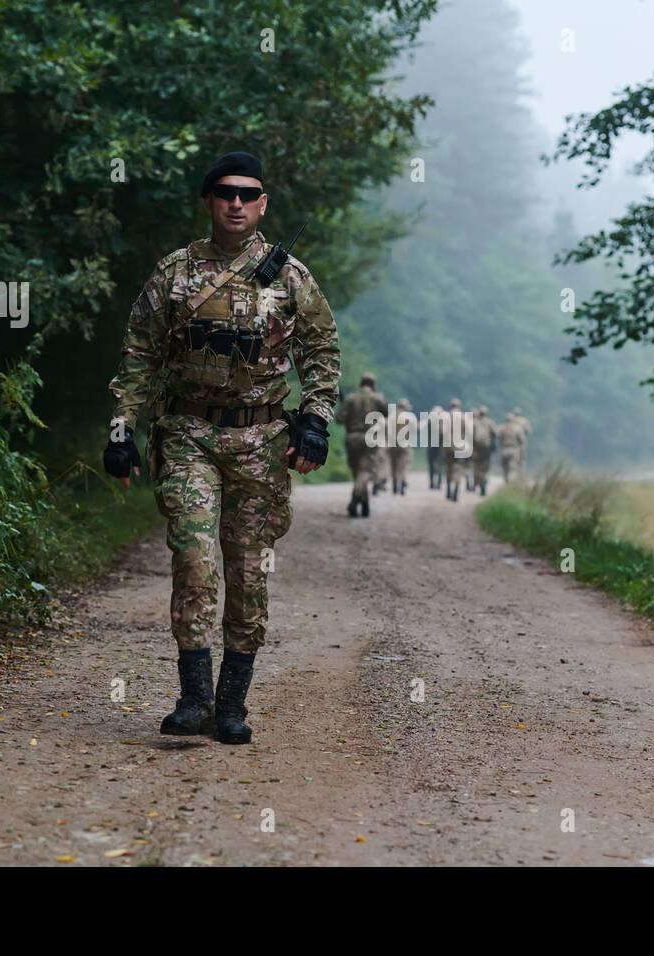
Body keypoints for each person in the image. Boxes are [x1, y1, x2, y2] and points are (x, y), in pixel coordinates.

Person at [104, 151, 339, 745]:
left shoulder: (290, 278)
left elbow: (322, 352)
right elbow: (138, 354)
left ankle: (232, 704)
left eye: (247, 194)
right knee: (193, 558)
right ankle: (192, 697)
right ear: (209, 201)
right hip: (188, 435)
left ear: (262, 205)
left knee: (247, 570)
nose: (236, 203)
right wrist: (121, 429)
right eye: (224, 193)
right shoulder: (174, 274)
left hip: (261, 442)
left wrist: (315, 420)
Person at [335, 372, 387, 517]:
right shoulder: (379, 398)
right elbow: (387, 413)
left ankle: (364, 505)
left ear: (361, 384)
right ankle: (356, 499)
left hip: (352, 438)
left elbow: (339, 419)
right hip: (371, 439)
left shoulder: (351, 399)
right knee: (365, 471)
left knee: (357, 472)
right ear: (373, 385)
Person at [389, 398, 417, 494]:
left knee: (394, 464)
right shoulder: (410, 416)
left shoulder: (391, 415)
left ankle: (395, 483)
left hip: (392, 444)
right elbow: (415, 429)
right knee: (404, 465)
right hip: (405, 444)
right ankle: (403, 481)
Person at [471, 405, 496, 496]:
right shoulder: (490, 422)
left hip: (476, 448)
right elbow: (494, 434)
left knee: (477, 466)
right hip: (486, 449)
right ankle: (483, 483)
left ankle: (477, 482)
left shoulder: (474, 422)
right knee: (485, 468)